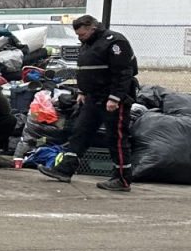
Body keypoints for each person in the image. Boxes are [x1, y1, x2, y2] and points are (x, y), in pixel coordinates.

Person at [38, 14, 139, 191]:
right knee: (80, 131)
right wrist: (82, 91)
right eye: (78, 35)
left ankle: (122, 178)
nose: (80, 38)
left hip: (113, 99)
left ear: (93, 28)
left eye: (82, 34)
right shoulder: (88, 45)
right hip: (93, 97)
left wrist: (115, 98)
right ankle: (65, 169)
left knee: (116, 138)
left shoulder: (115, 42)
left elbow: (124, 73)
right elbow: (85, 71)